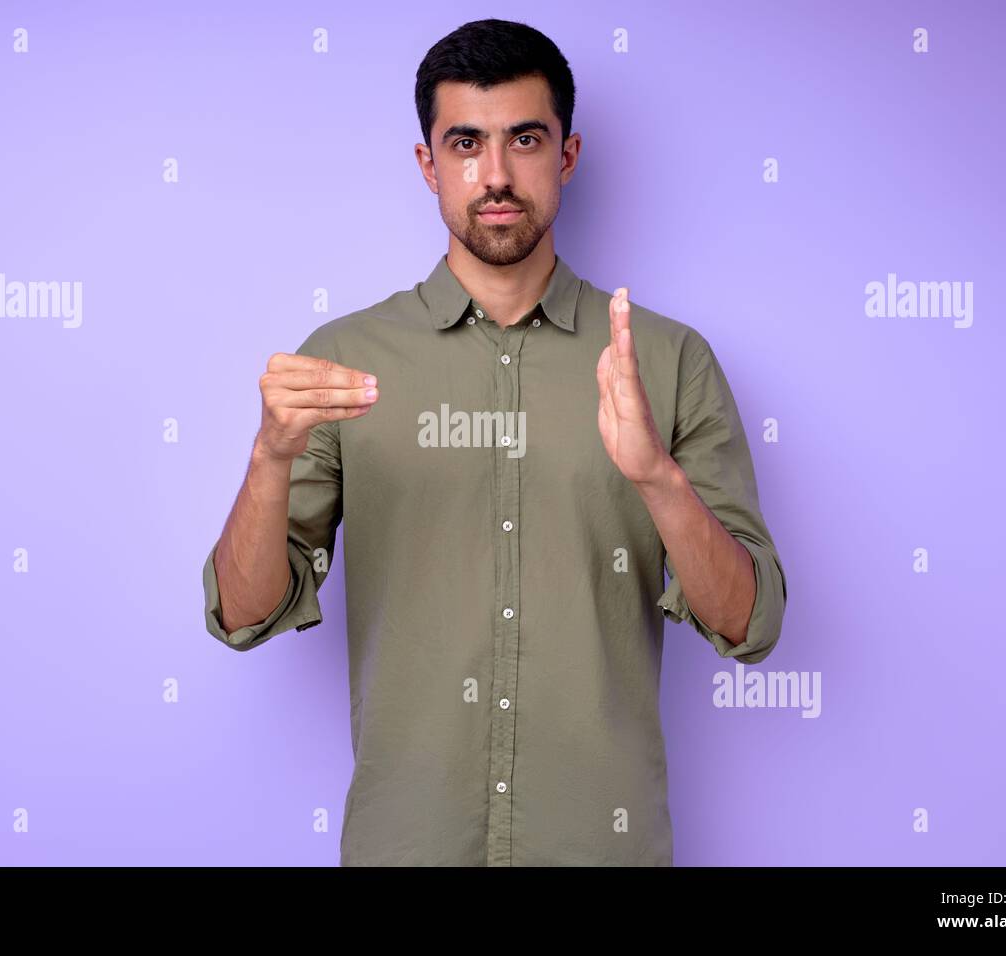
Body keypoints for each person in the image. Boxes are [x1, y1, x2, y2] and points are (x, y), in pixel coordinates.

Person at [201, 18, 788, 866]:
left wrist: (657, 479)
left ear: (569, 155)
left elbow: (753, 623)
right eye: (467, 143)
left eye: (525, 139)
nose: (498, 175)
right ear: (427, 164)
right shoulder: (343, 363)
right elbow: (243, 615)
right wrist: (268, 460)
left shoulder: (668, 361)